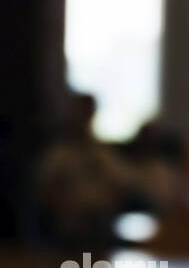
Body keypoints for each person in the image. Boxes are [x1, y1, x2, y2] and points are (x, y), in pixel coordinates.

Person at [37, 92, 140, 245]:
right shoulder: (59, 153)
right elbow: (45, 189)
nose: (83, 117)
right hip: (69, 225)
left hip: (101, 223)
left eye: (88, 111)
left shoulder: (102, 153)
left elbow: (124, 182)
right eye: (80, 111)